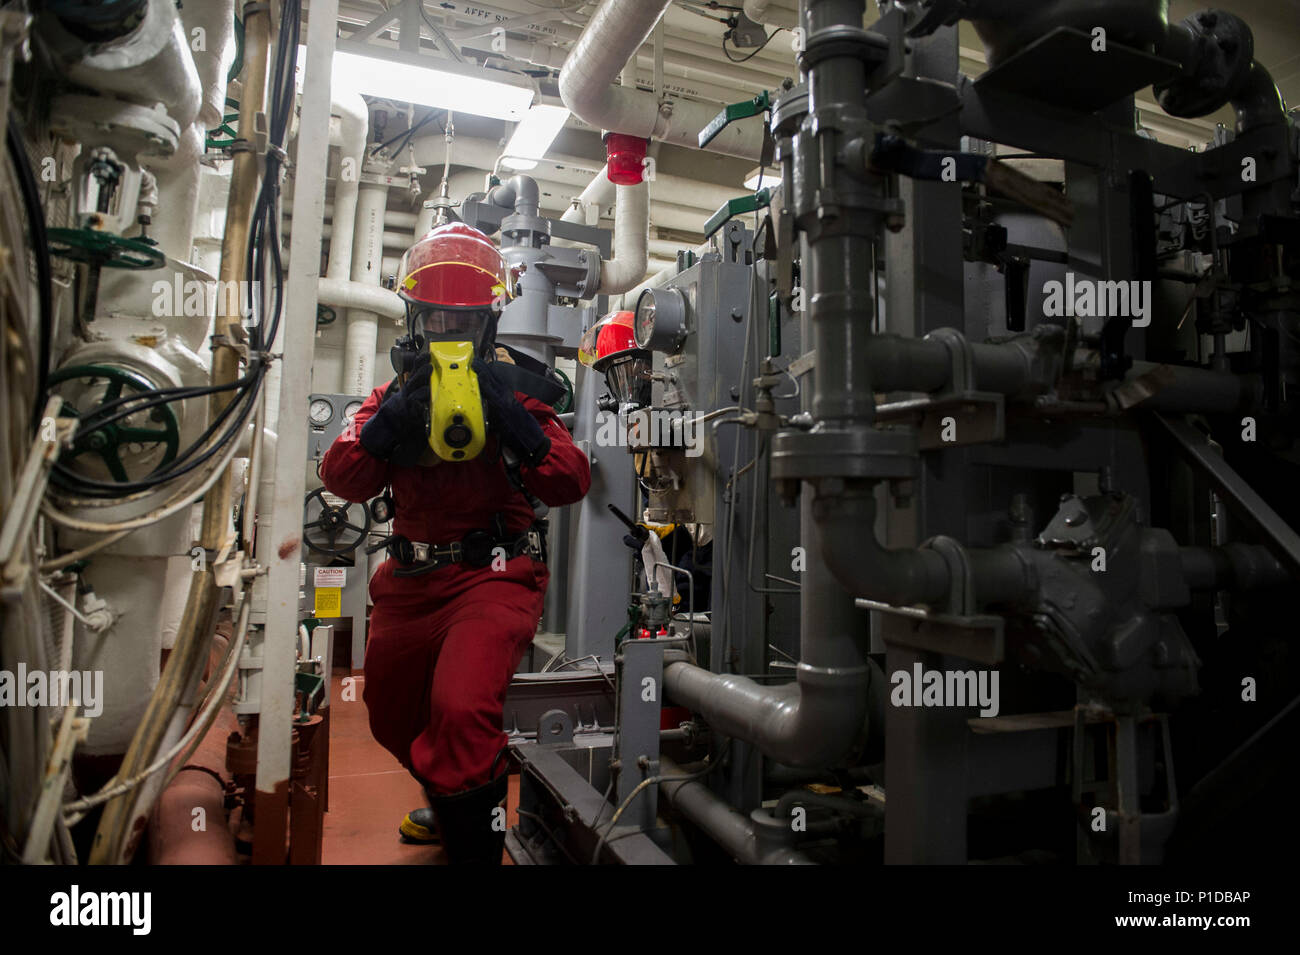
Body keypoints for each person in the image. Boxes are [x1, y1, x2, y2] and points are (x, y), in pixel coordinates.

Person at [319, 222, 591, 864]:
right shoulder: (388, 397)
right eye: (436, 317)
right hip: (409, 583)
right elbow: (341, 478)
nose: (448, 330)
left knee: (462, 710)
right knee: (388, 715)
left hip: (493, 577)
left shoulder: (520, 393)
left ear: (488, 321)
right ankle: (455, 797)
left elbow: (570, 481)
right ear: (415, 317)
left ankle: (474, 839)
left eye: (463, 320)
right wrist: (388, 423)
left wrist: (517, 420)